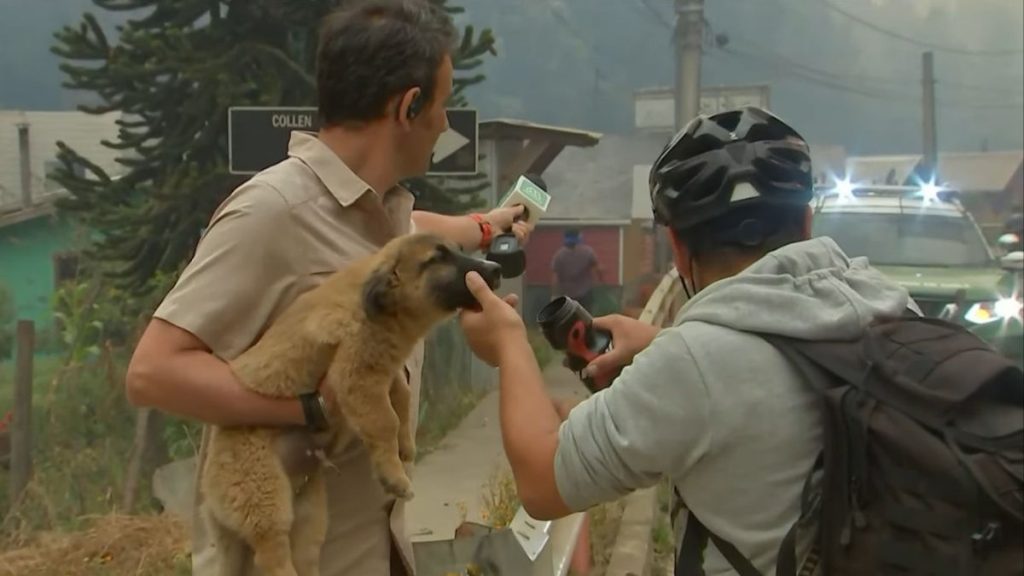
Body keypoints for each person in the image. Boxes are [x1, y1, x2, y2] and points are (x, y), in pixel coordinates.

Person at [124, 2, 531, 575]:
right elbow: (152, 372)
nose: (445, 123)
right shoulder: (272, 214)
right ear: (408, 106)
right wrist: (310, 408)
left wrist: (491, 225)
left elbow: (426, 231)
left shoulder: (386, 220)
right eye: (442, 104)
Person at [457, 107, 916, 574]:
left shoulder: (693, 366)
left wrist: (509, 341)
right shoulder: (897, 311)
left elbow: (541, 479)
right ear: (805, 224)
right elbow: (778, 369)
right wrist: (665, 341)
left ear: (677, 247)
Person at [551, 229, 603, 312]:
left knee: (569, 319)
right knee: (587, 319)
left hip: (568, 296)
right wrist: (600, 281)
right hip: (585, 293)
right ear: (579, 237)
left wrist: (555, 294)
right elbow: (597, 269)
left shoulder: (559, 255)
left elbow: (555, 278)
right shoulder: (588, 252)